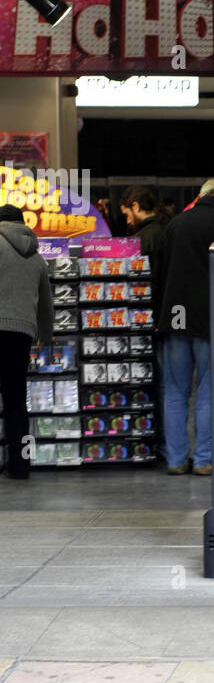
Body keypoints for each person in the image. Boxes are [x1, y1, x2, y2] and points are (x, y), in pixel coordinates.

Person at [155, 177, 214, 476]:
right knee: (208, 389)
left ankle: (176, 459)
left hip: (173, 317)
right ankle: (204, 459)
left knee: (175, 391)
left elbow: (161, 273)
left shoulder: (176, 223)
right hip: (211, 319)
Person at [0, 206, 53, 482]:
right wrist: (46, 334)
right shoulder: (36, 257)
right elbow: (46, 303)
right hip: (21, 334)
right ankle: (20, 467)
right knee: (16, 401)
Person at [120, 186, 170, 462]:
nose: (127, 220)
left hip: (145, 320)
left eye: (128, 214)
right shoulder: (164, 233)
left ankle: (155, 443)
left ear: (137, 206)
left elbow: (141, 283)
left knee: (155, 383)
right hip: (160, 319)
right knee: (161, 383)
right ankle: (161, 444)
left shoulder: (143, 240)